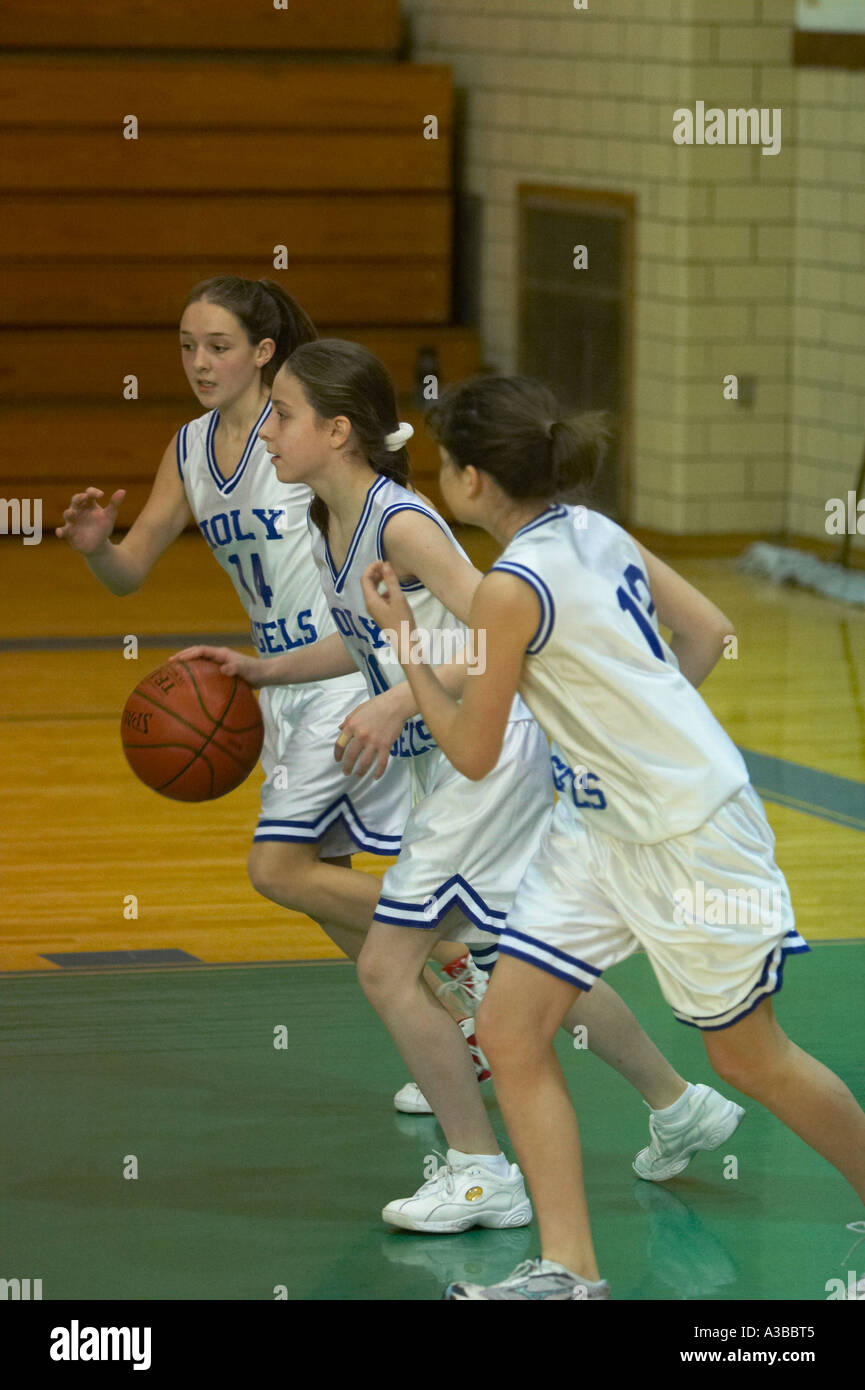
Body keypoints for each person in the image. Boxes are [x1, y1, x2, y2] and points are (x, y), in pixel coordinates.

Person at [191, 339, 746, 1235]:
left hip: (485, 755)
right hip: (452, 756)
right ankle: (677, 1103)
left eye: (282, 414)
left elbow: (500, 629)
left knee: (387, 962)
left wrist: (401, 695)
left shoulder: (399, 520)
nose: (265, 431)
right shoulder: (320, 518)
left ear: (337, 431)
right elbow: (358, 638)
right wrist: (265, 669)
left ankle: (480, 1172)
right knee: (511, 957)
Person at [360, 372, 865, 1298]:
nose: (438, 481)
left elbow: (471, 752)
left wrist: (404, 647)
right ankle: (568, 1270)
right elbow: (706, 633)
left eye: (443, 465)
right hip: (596, 831)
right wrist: (638, 727)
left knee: (746, 1057)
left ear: (474, 480)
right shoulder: (593, 530)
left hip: (686, 837)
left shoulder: (512, 586)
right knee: (511, 1030)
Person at [54, 276, 480, 1096]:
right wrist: (96, 548)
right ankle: (456, 1025)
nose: (199, 363)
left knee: (278, 870)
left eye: (217, 346)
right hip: (282, 679)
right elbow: (130, 572)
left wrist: (409, 672)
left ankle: (459, 951)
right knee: (320, 890)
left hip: (348, 670)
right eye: (186, 346)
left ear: (262, 352)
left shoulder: (311, 442)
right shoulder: (188, 449)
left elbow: (408, 555)